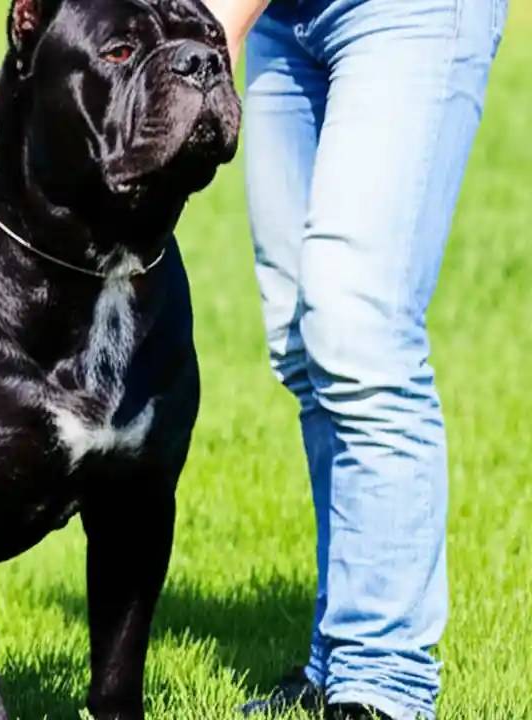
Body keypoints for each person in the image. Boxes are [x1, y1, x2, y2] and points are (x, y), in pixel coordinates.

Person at [198, 0, 508, 718]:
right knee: (305, 347)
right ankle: (341, 660)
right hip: (286, 19)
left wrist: (215, 28)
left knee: (359, 330)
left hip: (407, 14)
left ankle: (385, 682)